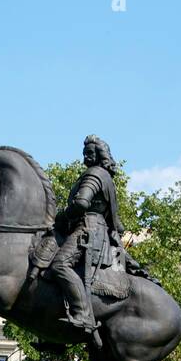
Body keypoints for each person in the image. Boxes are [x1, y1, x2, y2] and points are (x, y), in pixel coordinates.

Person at [44, 135, 130, 346]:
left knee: (59, 265)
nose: (85, 158)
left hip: (88, 229)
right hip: (96, 229)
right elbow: (117, 224)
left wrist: (62, 217)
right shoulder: (107, 179)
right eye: (84, 154)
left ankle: (82, 315)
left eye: (89, 153)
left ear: (99, 155)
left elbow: (82, 203)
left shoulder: (95, 174)